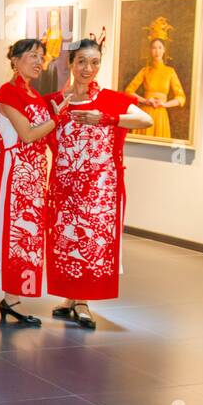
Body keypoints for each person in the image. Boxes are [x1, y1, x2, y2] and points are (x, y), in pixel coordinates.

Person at [46, 36, 153, 328]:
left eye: (94, 62)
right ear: (70, 63)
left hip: (98, 192)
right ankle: (69, 297)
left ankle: (83, 299)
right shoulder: (56, 102)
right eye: (81, 61)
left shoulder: (110, 99)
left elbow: (145, 120)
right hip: (65, 189)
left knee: (90, 243)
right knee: (66, 242)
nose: (87, 68)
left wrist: (106, 118)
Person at [0, 38, 55, 325]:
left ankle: (13, 297)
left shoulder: (35, 96)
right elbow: (27, 134)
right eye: (32, 55)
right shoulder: (8, 93)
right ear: (14, 60)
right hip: (7, 176)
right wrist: (58, 116)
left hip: (29, 181)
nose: (39, 61)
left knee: (23, 236)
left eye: (42, 56)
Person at [124, 19, 186, 140]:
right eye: (154, 48)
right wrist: (146, 101)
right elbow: (128, 91)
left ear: (164, 50)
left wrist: (165, 104)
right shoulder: (145, 71)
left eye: (160, 47)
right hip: (145, 113)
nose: (157, 51)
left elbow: (181, 97)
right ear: (150, 50)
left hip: (161, 114)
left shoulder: (170, 72)